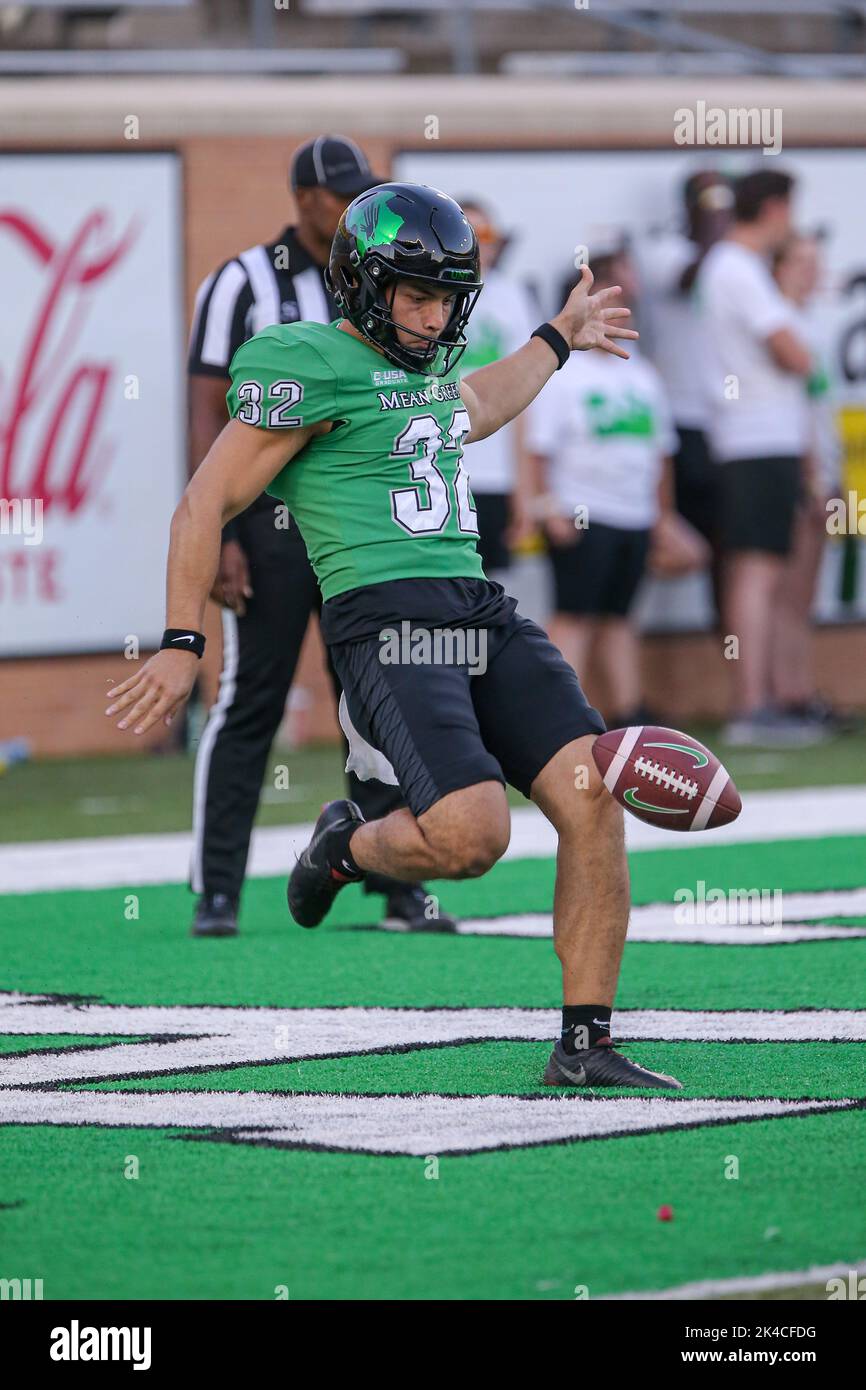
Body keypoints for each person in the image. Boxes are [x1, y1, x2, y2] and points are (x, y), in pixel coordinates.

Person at [105, 181, 685, 1092]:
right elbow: (203, 500)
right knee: (471, 838)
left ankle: (585, 1042)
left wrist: (559, 338)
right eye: (416, 293)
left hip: (480, 607)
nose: (434, 313)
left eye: (448, 295)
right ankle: (345, 845)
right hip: (387, 622)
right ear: (365, 286)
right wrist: (184, 640)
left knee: (590, 793)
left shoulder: (422, 374)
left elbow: (482, 405)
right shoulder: (307, 362)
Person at [187, 137, 458, 936]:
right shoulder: (242, 279)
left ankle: (399, 879)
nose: (347, 206)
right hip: (270, 521)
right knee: (252, 696)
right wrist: (224, 530)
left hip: (360, 517)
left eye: (356, 192)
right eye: (335, 193)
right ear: (302, 197)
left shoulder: (387, 272)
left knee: (377, 696)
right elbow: (210, 407)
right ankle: (218, 888)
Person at [524, 246, 680, 725]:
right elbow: (537, 450)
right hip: (581, 511)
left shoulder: (643, 372)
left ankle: (630, 712)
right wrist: (548, 507)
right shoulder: (563, 371)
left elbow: (661, 454)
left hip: (633, 514)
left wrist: (662, 518)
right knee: (574, 615)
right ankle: (551, 714)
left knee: (619, 618)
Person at [697, 169, 822, 747]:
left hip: (766, 440)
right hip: (752, 438)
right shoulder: (737, 267)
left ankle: (768, 698)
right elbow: (795, 355)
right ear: (773, 208)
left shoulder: (737, 267)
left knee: (772, 571)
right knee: (755, 571)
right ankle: (750, 705)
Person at [640, 170, 733, 610]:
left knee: (732, 545)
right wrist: (721, 234)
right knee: (674, 537)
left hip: (729, 421)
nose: (718, 216)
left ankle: (730, 651)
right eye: (708, 205)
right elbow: (687, 279)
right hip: (681, 419)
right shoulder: (665, 251)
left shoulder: (736, 259)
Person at [770, 232, 844, 731]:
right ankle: (783, 693)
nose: (810, 271)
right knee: (786, 591)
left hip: (823, 469)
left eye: (815, 262)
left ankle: (798, 689)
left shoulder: (813, 323)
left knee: (804, 594)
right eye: (800, 262)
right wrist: (812, 478)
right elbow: (787, 413)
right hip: (800, 473)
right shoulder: (780, 324)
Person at [453, 199, 536, 578]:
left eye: (487, 236)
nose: (480, 245)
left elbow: (524, 403)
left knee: (491, 593)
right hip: (442, 469)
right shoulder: (429, 293)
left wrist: (525, 495)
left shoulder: (512, 296)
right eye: (470, 235)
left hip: (495, 475)